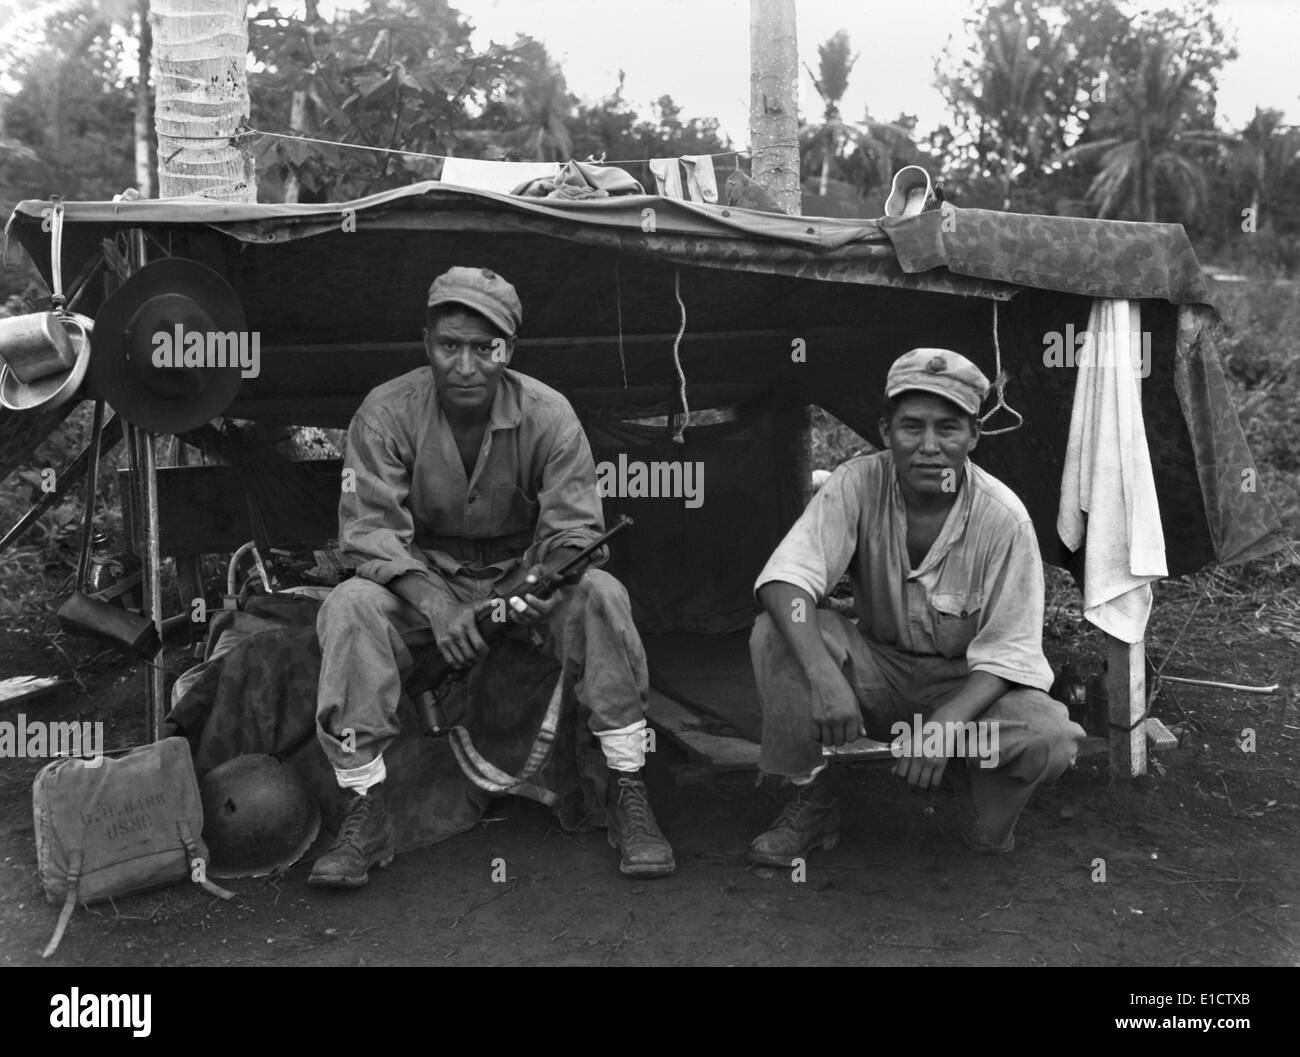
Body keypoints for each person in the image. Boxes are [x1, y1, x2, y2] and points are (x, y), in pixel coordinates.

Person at [309, 266, 674, 888]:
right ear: (427, 344)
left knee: (602, 594)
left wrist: (543, 582)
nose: (467, 366)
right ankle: (365, 810)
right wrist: (435, 603)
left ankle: (627, 791)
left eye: (486, 348)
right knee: (349, 605)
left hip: (523, 579)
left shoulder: (550, 414)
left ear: (510, 350)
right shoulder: (385, 413)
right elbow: (368, 535)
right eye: (450, 346)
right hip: (423, 585)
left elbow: (576, 533)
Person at [747, 348, 1086, 863]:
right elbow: (784, 582)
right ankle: (812, 799)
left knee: (1050, 736)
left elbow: (1010, 653)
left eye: (948, 428)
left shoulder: (1004, 519)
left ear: (973, 435)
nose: (929, 447)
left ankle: (979, 806)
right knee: (779, 633)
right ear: (885, 431)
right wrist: (824, 675)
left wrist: (948, 724)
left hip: (967, 685)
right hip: (876, 672)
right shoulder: (857, 483)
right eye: (912, 427)